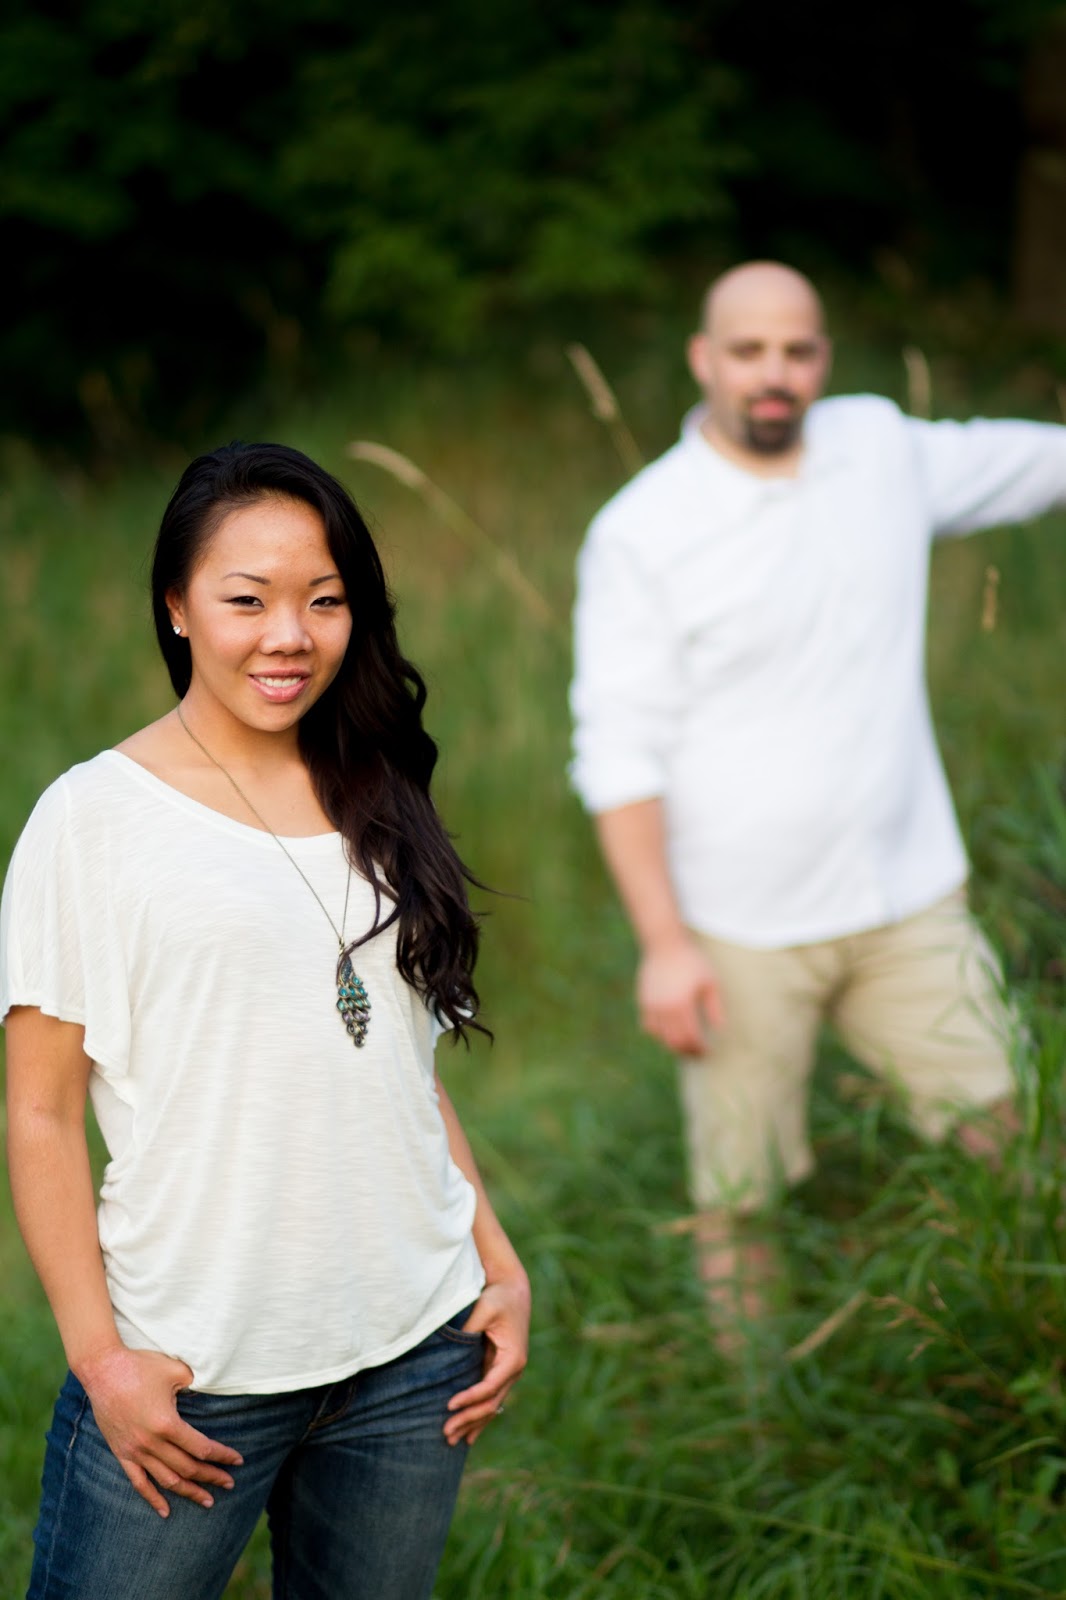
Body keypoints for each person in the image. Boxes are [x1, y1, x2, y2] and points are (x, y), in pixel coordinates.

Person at [1, 442, 530, 1599]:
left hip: (412, 1357)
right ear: (177, 608)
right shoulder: (93, 818)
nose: (288, 635)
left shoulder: (374, 788)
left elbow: (401, 1063)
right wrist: (104, 1362)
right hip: (194, 1367)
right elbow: (38, 1111)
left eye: (324, 601)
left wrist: (495, 1260)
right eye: (247, 600)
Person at [570, 261, 1066, 1326]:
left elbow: (1031, 463)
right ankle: (756, 1414)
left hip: (908, 898)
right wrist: (665, 940)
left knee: (1008, 1128)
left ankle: (1037, 1336)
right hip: (741, 928)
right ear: (705, 361)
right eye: (748, 351)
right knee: (740, 1200)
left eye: (796, 351)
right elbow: (619, 754)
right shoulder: (643, 530)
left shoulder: (878, 448)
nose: (773, 374)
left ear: (822, 361)